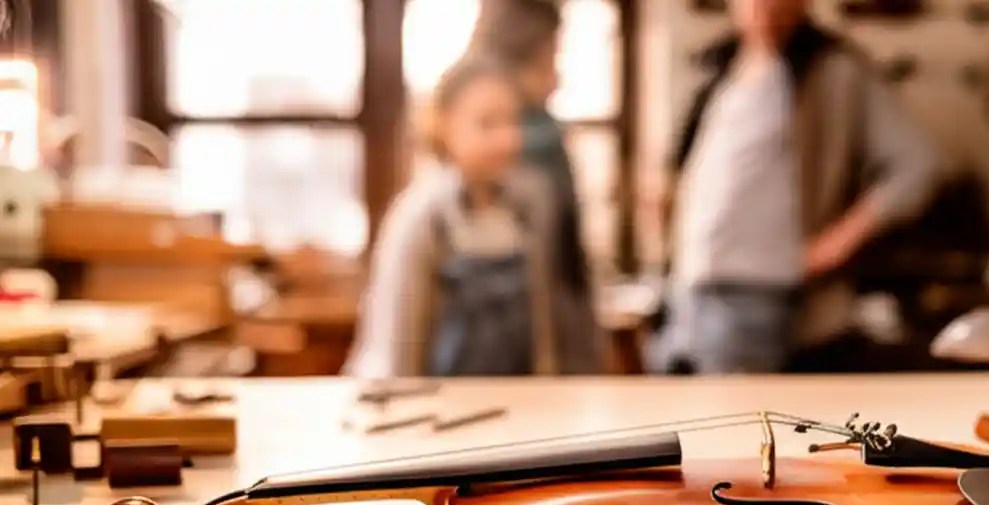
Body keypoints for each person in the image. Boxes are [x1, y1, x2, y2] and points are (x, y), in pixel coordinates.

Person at [650, 0, 940, 374]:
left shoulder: (836, 70)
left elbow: (918, 165)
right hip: (689, 291)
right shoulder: (719, 67)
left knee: (728, 423)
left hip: (760, 295)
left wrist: (837, 242)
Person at [345, 56, 599, 377]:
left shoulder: (531, 207)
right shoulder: (423, 217)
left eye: (512, 121)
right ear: (443, 125)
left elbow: (547, 325)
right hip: (439, 409)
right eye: (487, 123)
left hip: (522, 406)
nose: (506, 138)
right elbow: (396, 345)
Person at [468, 0, 599, 359]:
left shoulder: (466, 151)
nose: (558, 77)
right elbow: (561, 271)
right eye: (553, 55)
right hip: (543, 345)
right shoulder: (538, 140)